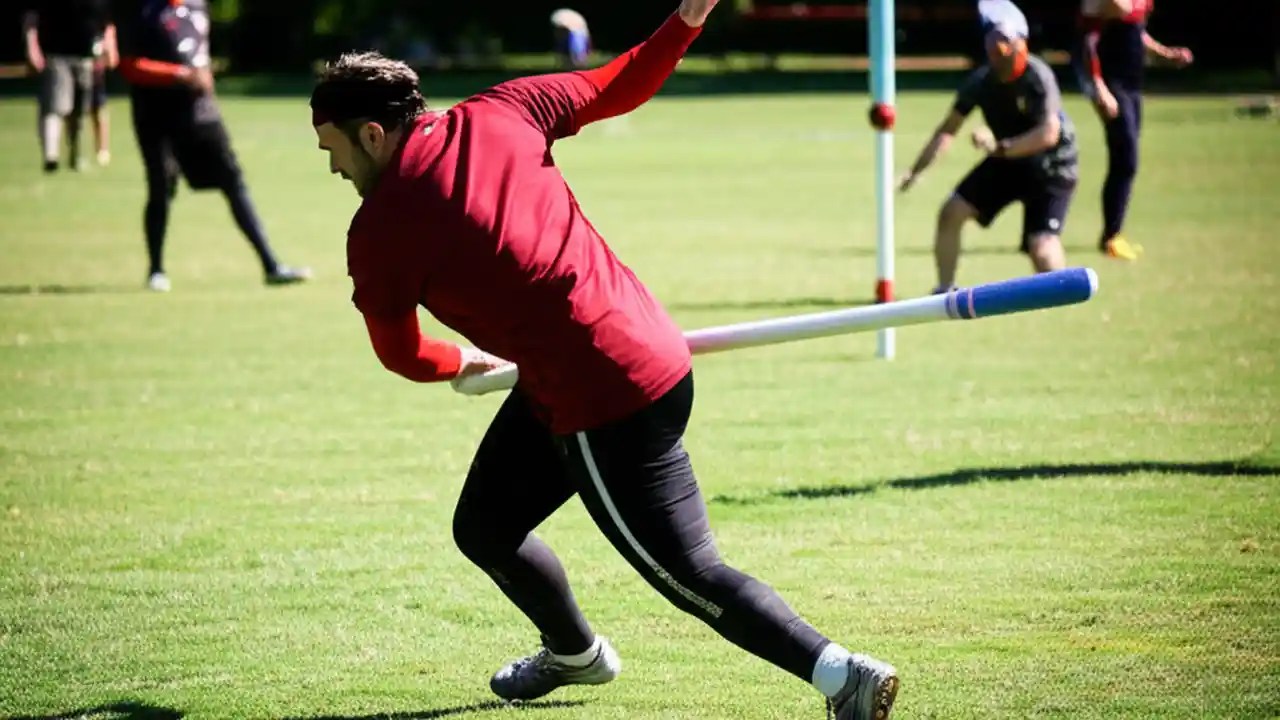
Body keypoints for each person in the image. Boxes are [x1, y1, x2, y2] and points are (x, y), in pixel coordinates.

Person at [308, 1, 899, 718]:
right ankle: (574, 655)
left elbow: (401, 354)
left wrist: (455, 361)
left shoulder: (378, 232)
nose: (333, 167)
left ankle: (844, 677)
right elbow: (620, 83)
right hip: (645, 354)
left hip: (602, 399)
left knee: (689, 573)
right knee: (486, 527)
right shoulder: (504, 108)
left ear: (372, 133)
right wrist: (684, 20)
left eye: (332, 149)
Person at [117, 0, 310, 292]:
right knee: (161, 187)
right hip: (155, 115)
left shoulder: (197, 6)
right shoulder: (142, 11)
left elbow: (199, 56)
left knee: (233, 181)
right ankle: (156, 269)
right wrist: (179, 75)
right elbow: (129, 65)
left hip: (201, 113)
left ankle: (272, 266)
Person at [899, 0, 1079, 293]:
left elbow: (1048, 134)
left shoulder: (1039, 76)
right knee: (952, 212)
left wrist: (1001, 148)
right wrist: (915, 172)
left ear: (1022, 42)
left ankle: (1065, 295)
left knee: (1042, 249)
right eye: (993, 41)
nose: (999, 51)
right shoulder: (982, 82)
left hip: (1052, 166)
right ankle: (945, 292)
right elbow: (947, 130)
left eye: (1005, 41)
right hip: (1007, 160)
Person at [1075, 0, 1193, 261]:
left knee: (1125, 161)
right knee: (1125, 157)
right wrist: (1099, 87)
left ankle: (1113, 233)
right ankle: (1111, 237)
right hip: (1111, 85)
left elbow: (1136, 33)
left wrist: (1164, 53)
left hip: (1132, 85)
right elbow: (1089, 42)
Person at [22, 0, 112, 173]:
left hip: (86, 56)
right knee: (55, 107)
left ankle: (76, 155)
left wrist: (106, 46)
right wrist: (32, 47)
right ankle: (51, 156)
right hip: (55, 55)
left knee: (79, 111)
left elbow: (106, 19)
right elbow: (31, 17)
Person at [89, 24, 118, 167]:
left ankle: (103, 149)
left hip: (96, 77)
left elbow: (112, 61)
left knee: (99, 111)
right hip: (79, 69)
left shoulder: (103, 26)